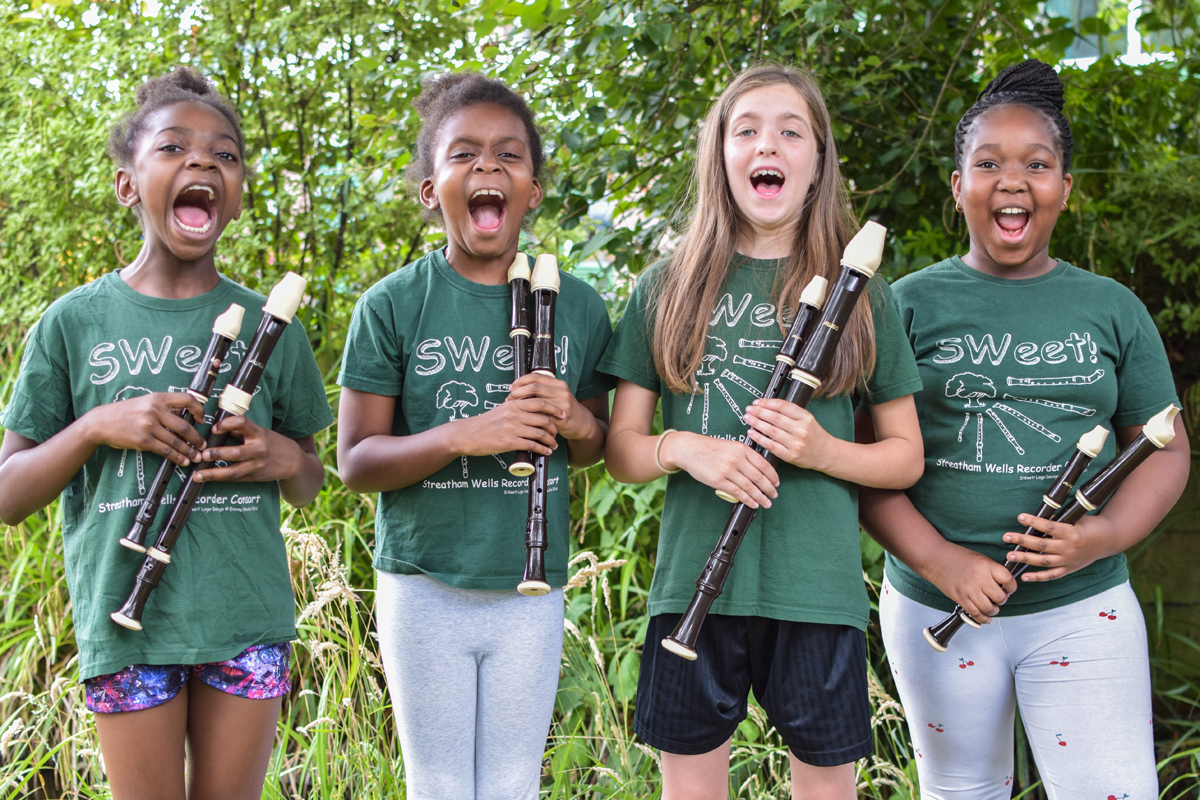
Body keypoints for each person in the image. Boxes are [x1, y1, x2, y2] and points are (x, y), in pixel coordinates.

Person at [860, 59, 1190, 799]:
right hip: (936, 605)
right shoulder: (905, 304)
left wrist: (1102, 537)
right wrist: (941, 560)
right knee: (961, 790)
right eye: (988, 164)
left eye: (1036, 165)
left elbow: (1167, 452)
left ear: (1065, 189)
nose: (1012, 182)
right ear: (957, 187)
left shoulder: (1112, 307)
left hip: (1083, 605)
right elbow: (861, 459)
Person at [0, 67, 332, 800]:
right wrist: (98, 426)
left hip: (245, 616)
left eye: (224, 155)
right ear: (127, 185)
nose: (202, 163)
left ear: (236, 196)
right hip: (128, 623)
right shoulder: (72, 323)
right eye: (174, 147)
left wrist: (281, 456)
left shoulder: (275, 323)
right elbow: (9, 496)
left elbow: (309, 482)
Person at [599, 64, 925, 800]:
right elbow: (622, 449)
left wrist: (824, 451)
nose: (766, 145)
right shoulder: (667, 285)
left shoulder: (864, 295)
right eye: (745, 131)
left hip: (815, 591)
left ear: (818, 162)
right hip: (691, 584)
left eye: (790, 132)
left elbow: (906, 459)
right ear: (720, 156)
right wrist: (685, 449)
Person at [335, 72, 613, 800]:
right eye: (464, 154)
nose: (488, 165)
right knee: (439, 786)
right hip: (423, 583)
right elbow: (356, 463)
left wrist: (576, 420)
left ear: (533, 190)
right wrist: (467, 435)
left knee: (514, 785)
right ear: (432, 190)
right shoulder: (392, 305)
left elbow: (598, 446)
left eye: (508, 154)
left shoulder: (578, 307)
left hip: (530, 585)